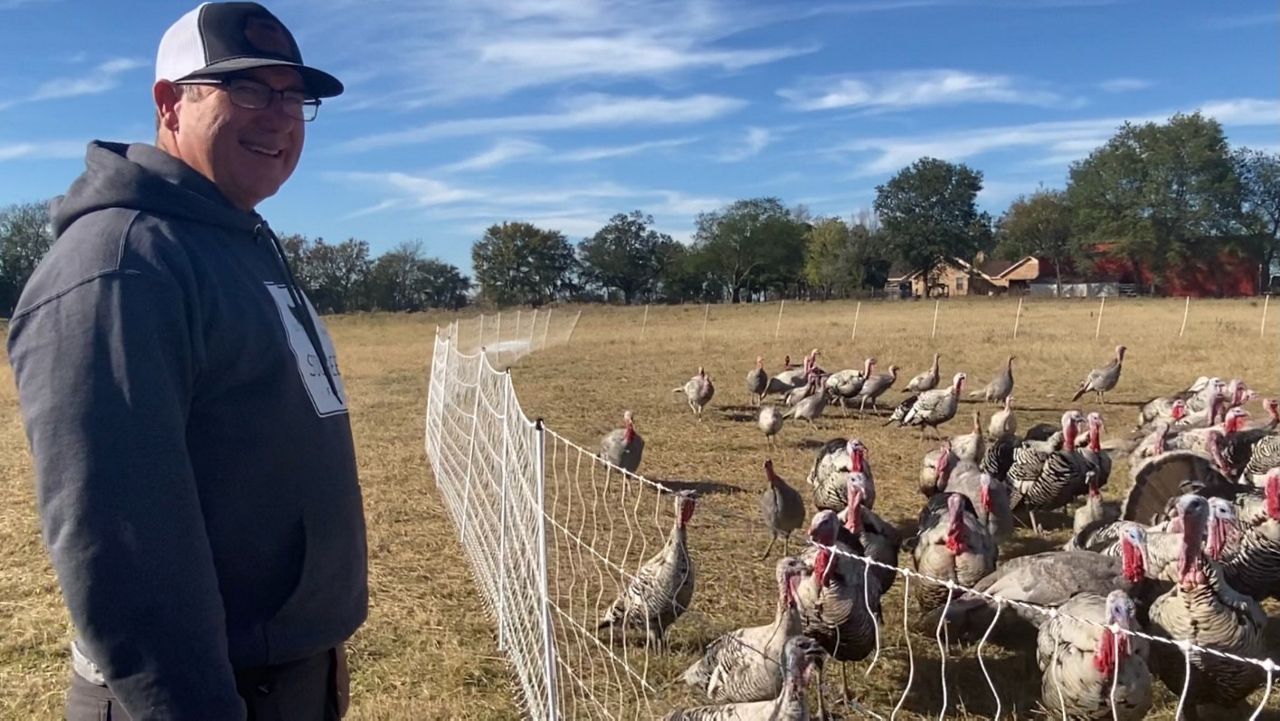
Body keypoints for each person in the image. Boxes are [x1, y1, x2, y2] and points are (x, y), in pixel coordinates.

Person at [7, 3, 367, 719]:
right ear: (169, 102)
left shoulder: (235, 240)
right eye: (248, 90)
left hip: (283, 676)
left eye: (294, 95)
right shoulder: (123, 266)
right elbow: (120, 548)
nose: (279, 114)